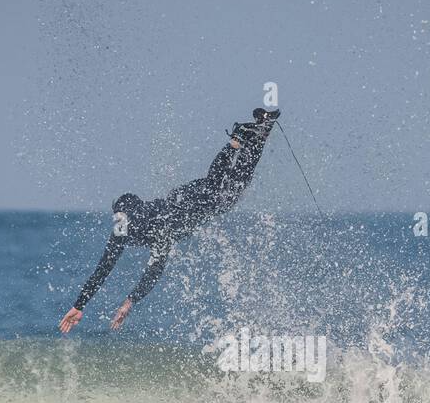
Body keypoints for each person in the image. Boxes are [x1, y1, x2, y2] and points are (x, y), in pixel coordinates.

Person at [59, 107, 281, 332]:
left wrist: (122, 302)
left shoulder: (148, 232)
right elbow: (118, 267)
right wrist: (86, 304)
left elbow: (112, 269)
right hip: (179, 196)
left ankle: (246, 138)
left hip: (189, 209)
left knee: (230, 190)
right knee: (214, 181)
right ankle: (246, 136)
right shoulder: (146, 213)